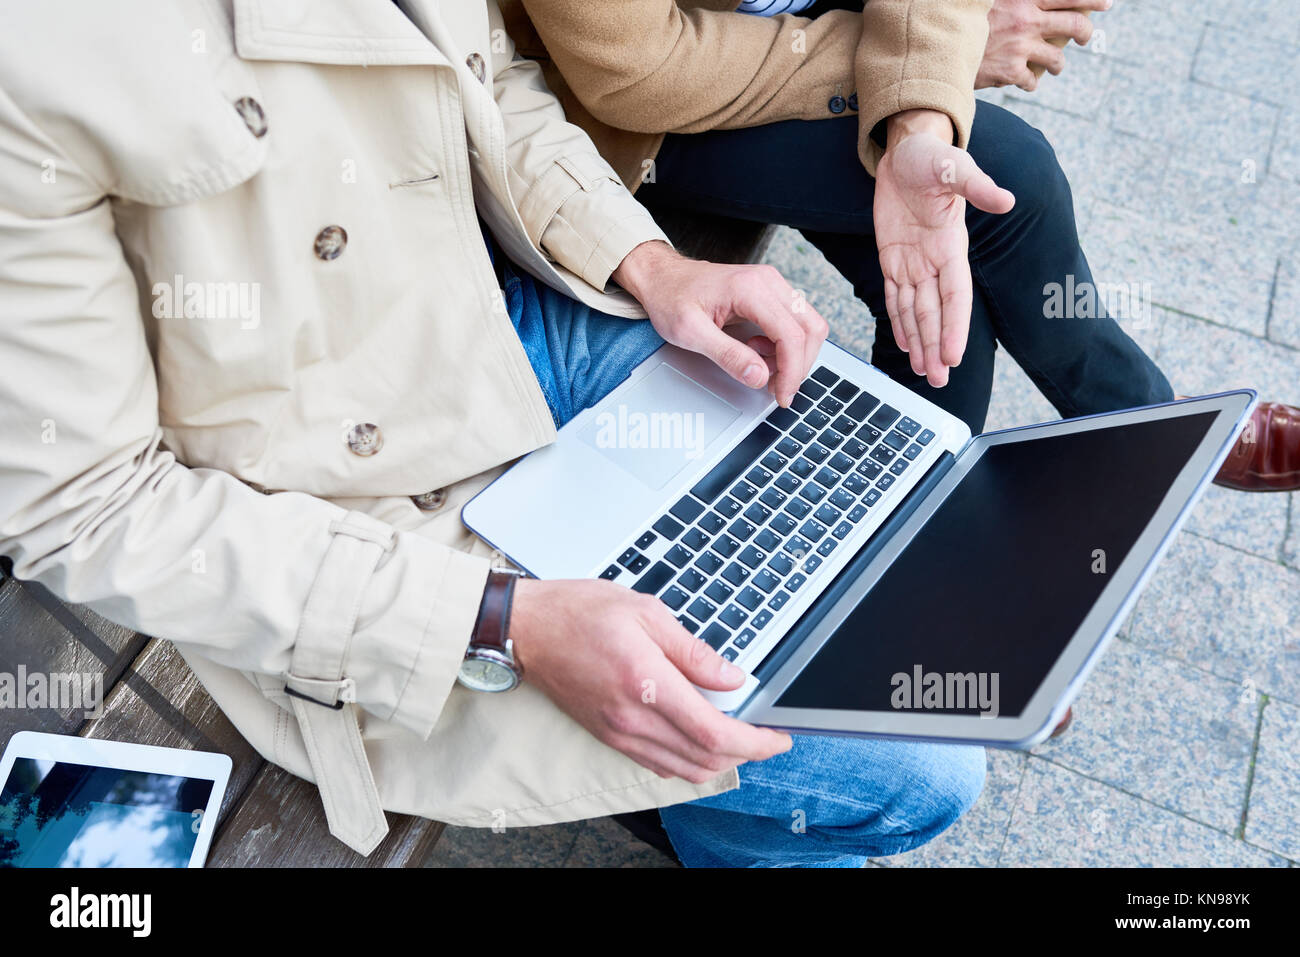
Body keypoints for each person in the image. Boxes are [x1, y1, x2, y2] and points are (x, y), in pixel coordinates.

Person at [0, 0, 994, 868]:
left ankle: (732, 823)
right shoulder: (34, 60)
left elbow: (496, 85)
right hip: (354, 516)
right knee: (919, 762)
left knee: (893, 511)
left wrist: (651, 263)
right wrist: (498, 618)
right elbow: (81, 506)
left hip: (505, 315)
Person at [504, 0, 1300, 488]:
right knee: (1006, 183)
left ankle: (896, 551)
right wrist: (921, 57)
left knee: (940, 250)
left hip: (806, 21)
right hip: (658, 101)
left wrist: (919, 108)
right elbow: (636, 68)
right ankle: (1146, 430)